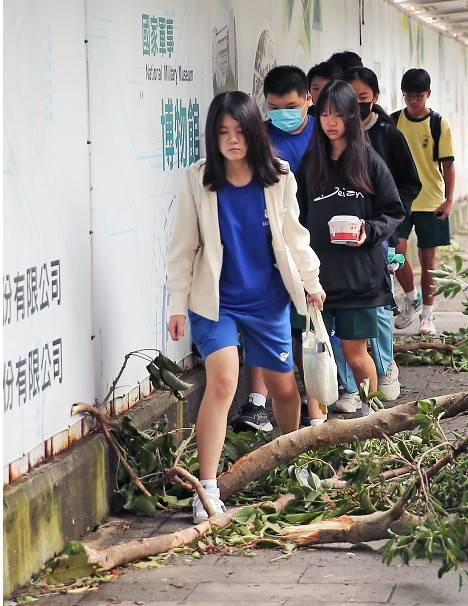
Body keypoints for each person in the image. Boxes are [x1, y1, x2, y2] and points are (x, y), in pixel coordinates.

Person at [166, 91, 324, 522]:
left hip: (268, 300)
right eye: (223, 132)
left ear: (254, 132)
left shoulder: (278, 177)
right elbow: (183, 248)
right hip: (214, 302)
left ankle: (292, 457)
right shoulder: (197, 181)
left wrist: (312, 283)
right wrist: (177, 305)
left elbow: (294, 236)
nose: (232, 140)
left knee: (285, 389)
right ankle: (207, 488)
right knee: (222, 381)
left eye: (239, 131)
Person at [296, 80, 405, 422]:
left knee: (356, 354)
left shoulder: (369, 160)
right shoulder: (311, 162)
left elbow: (393, 211)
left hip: (359, 277)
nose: (330, 121)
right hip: (317, 278)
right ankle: (315, 428)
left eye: (338, 114)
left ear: (351, 117)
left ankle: (373, 422)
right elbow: (296, 217)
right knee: (313, 351)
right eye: (324, 113)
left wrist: (369, 231)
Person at [214, 64, 315, 435]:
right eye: (274, 107)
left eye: (290, 105)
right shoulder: (263, 142)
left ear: (308, 100)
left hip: (312, 240)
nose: (282, 114)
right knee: (267, 336)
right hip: (274, 251)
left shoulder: (325, 133)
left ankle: (314, 414)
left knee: (306, 334)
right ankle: (258, 405)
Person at [342, 65, 423, 402]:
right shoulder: (332, 139)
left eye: (362, 98)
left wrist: (391, 216)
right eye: (351, 98)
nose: (357, 106)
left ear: (374, 98)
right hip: (341, 238)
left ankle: (386, 366)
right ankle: (350, 384)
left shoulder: (388, 135)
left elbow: (410, 182)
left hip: (379, 235)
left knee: (378, 305)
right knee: (344, 309)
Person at [392, 68, 454, 335]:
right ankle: (411, 297)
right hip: (400, 200)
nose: (413, 101)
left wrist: (449, 200)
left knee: (429, 260)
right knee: (394, 255)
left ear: (427, 94)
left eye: (418, 96)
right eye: (408, 96)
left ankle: (428, 315)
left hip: (431, 200)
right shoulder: (393, 121)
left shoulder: (439, 123)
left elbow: (449, 165)